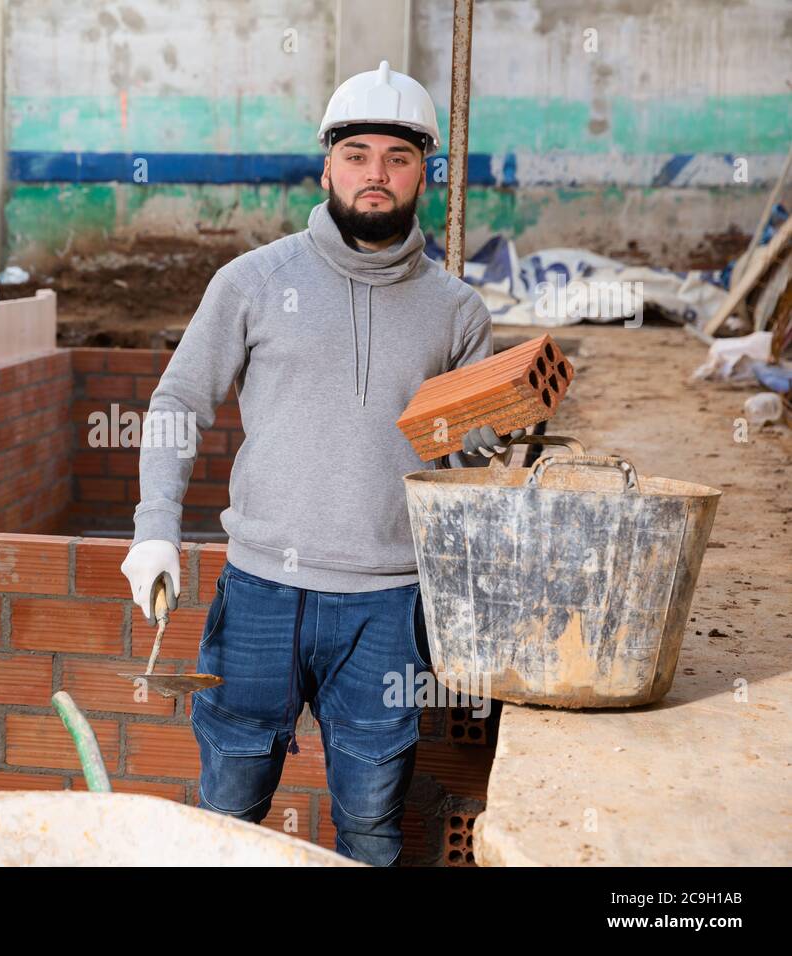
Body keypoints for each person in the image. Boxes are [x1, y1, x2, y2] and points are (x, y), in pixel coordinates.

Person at [119, 61, 515, 866]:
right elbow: (175, 405)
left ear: (423, 174)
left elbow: (469, 464)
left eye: (398, 158)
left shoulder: (457, 310)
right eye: (359, 154)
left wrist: (499, 431)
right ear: (328, 163)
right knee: (227, 816)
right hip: (261, 590)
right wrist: (154, 528)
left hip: (388, 606)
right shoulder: (255, 282)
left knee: (370, 824)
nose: (377, 174)